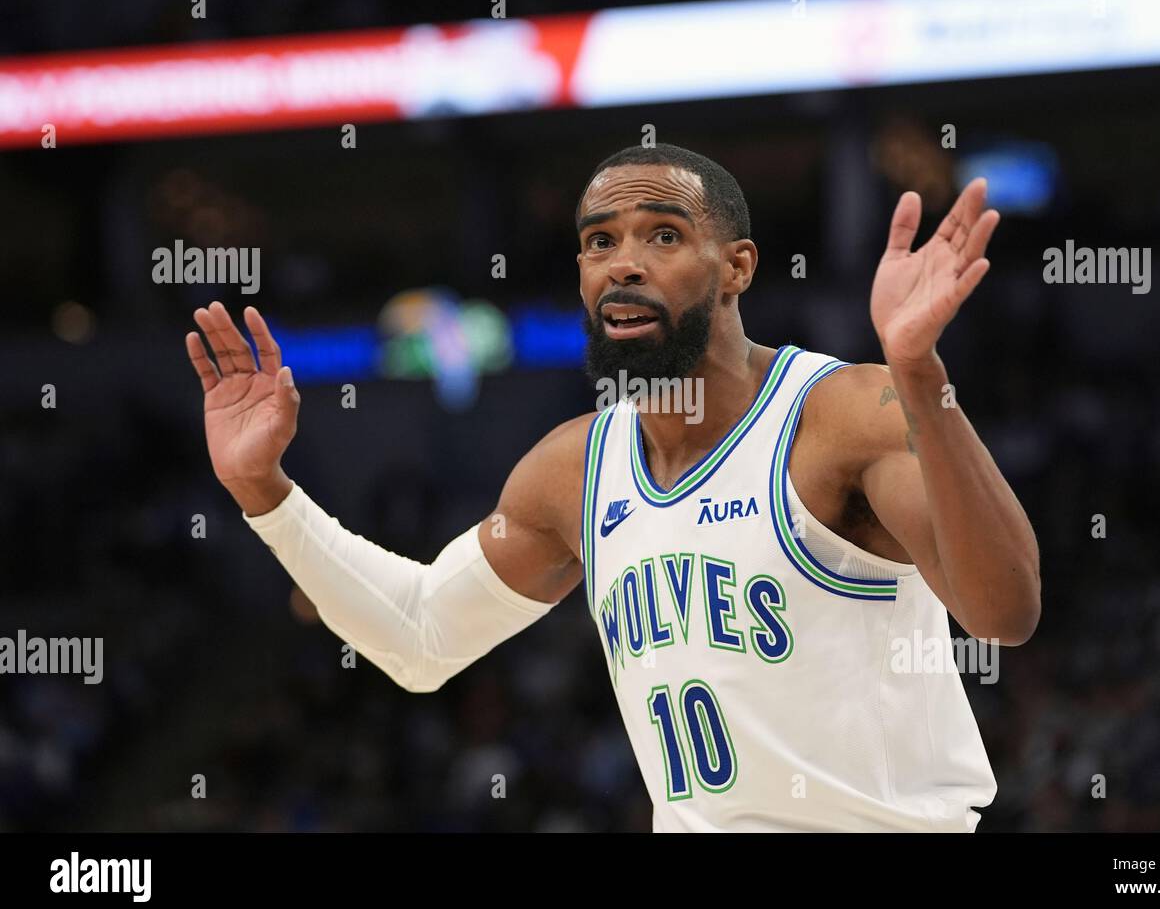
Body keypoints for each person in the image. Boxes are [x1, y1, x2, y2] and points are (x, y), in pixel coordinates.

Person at [185, 144, 1040, 832]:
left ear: (736, 266)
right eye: (599, 241)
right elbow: (420, 637)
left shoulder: (844, 415)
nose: (622, 264)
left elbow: (1005, 611)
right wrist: (266, 491)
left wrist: (921, 376)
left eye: (663, 236)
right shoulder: (573, 469)